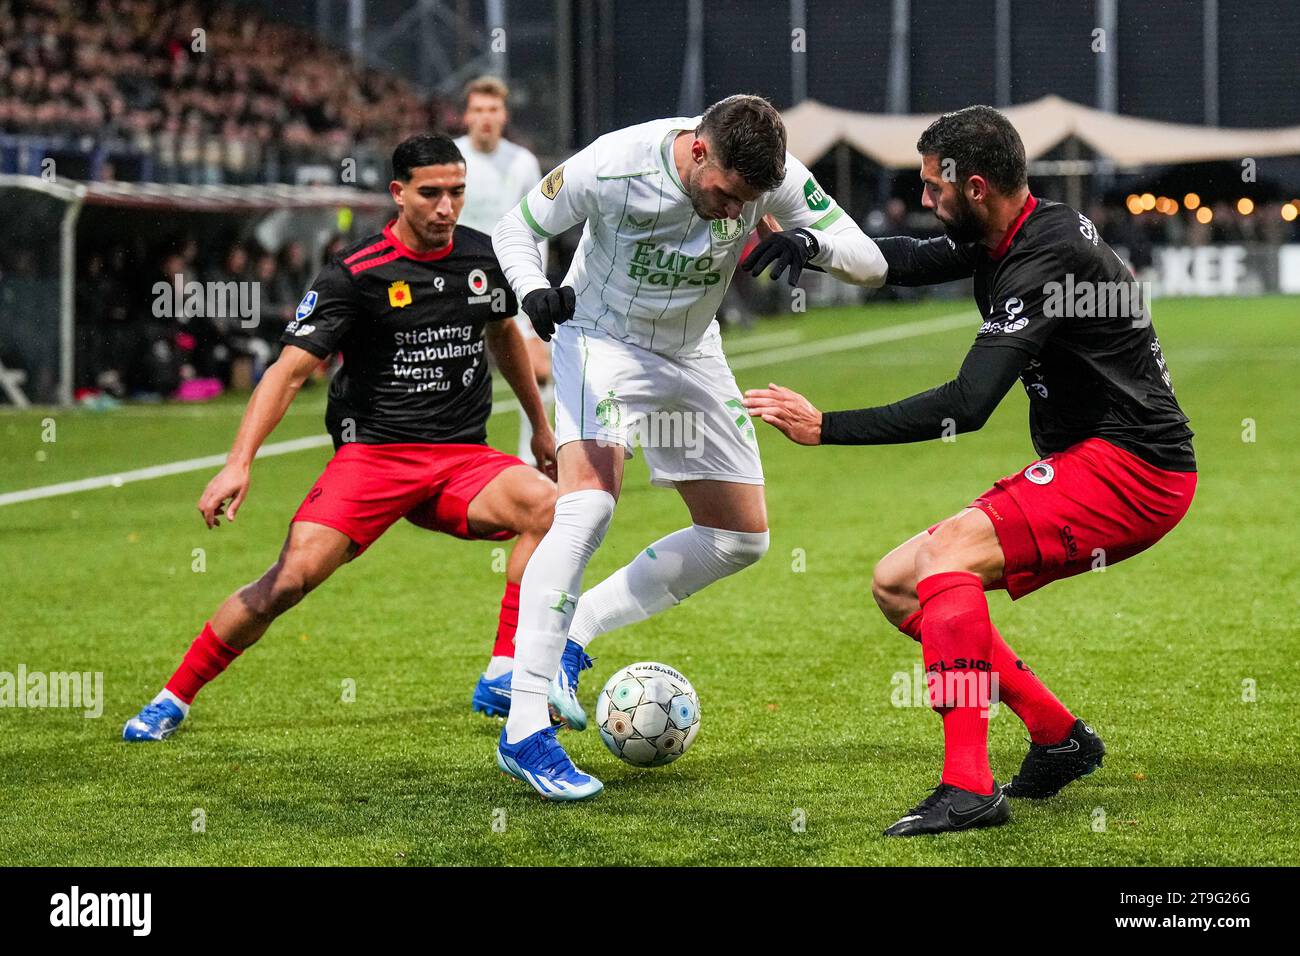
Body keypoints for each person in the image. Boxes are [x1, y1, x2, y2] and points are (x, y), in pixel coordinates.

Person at [743, 106, 1197, 836]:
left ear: (975, 186)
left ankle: (969, 787)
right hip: (1105, 459)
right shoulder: (1009, 226)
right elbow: (907, 261)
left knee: (948, 557)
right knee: (896, 582)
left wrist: (826, 427)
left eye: (932, 188)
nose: (925, 200)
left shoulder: (1043, 256)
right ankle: (1057, 736)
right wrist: (813, 244)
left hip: (1136, 469)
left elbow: (968, 403)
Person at [489, 93, 888, 799]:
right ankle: (524, 724)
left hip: (692, 350)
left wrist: (810, 242)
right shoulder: (615, 164)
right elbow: (513, 230)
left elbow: (872, 263)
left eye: (749, 202)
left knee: (740, 539)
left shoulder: (776, 176)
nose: (735, 212)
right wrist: (532, 290)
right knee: (588, 509)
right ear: (698, 151)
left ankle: (573, 631)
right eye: (728, 195)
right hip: (601, 338)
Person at [122, 133, 558, 741]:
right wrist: (237, 463)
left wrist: (540, 428)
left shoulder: (484, 258)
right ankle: (174, 696)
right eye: (430, 193)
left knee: (552, 509)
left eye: (457, 193)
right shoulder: (354, 274)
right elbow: (287, 372)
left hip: (464, 460)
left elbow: (504, 334)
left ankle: (504, 671)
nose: (445, 208)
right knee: (289, 582)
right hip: (374, 459)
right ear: (397, 194)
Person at [453, 76, 551, 469]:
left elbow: (538, 227)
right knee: (452, 370)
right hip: (456, 280)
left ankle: (532, 459)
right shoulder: (450, 158)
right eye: (478, 110)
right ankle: (455, 458)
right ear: (466, 115)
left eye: (492, 110)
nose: (485, 118)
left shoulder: (523, 162)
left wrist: (534, 284)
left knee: (539, 370)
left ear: (504, 115)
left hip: (511, 278)